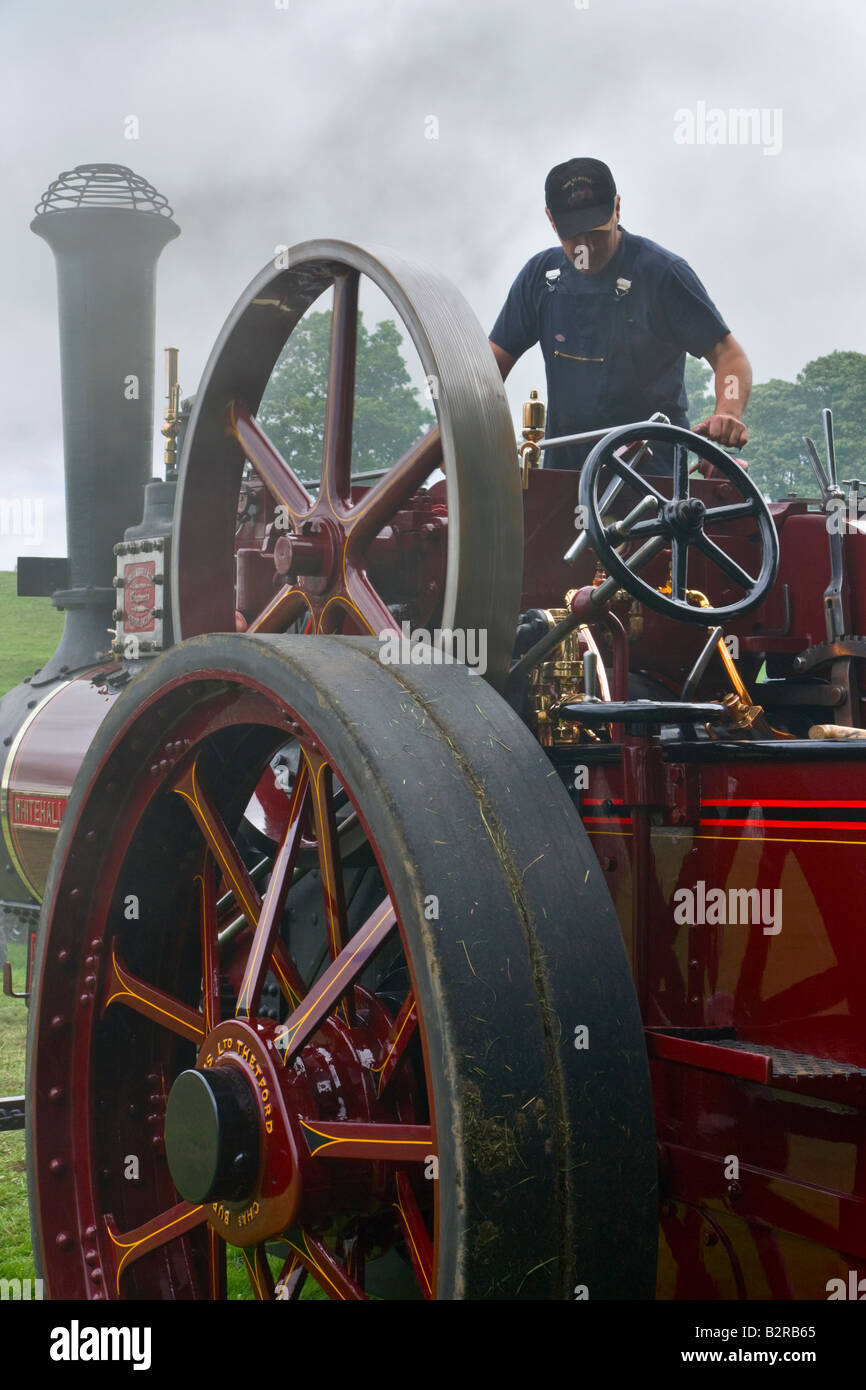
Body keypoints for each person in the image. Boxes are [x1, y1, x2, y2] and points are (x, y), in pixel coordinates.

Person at [488, 157, 751, 471]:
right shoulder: (540, 279)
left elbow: (727, 355)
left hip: (653, 488)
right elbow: (485, 374)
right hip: (564, 482)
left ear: (617, 209)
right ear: (551, 219)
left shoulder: (662, 274)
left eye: (596, 232)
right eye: (572, 234)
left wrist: (729, 412)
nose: (585, 246)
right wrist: (455, 443)